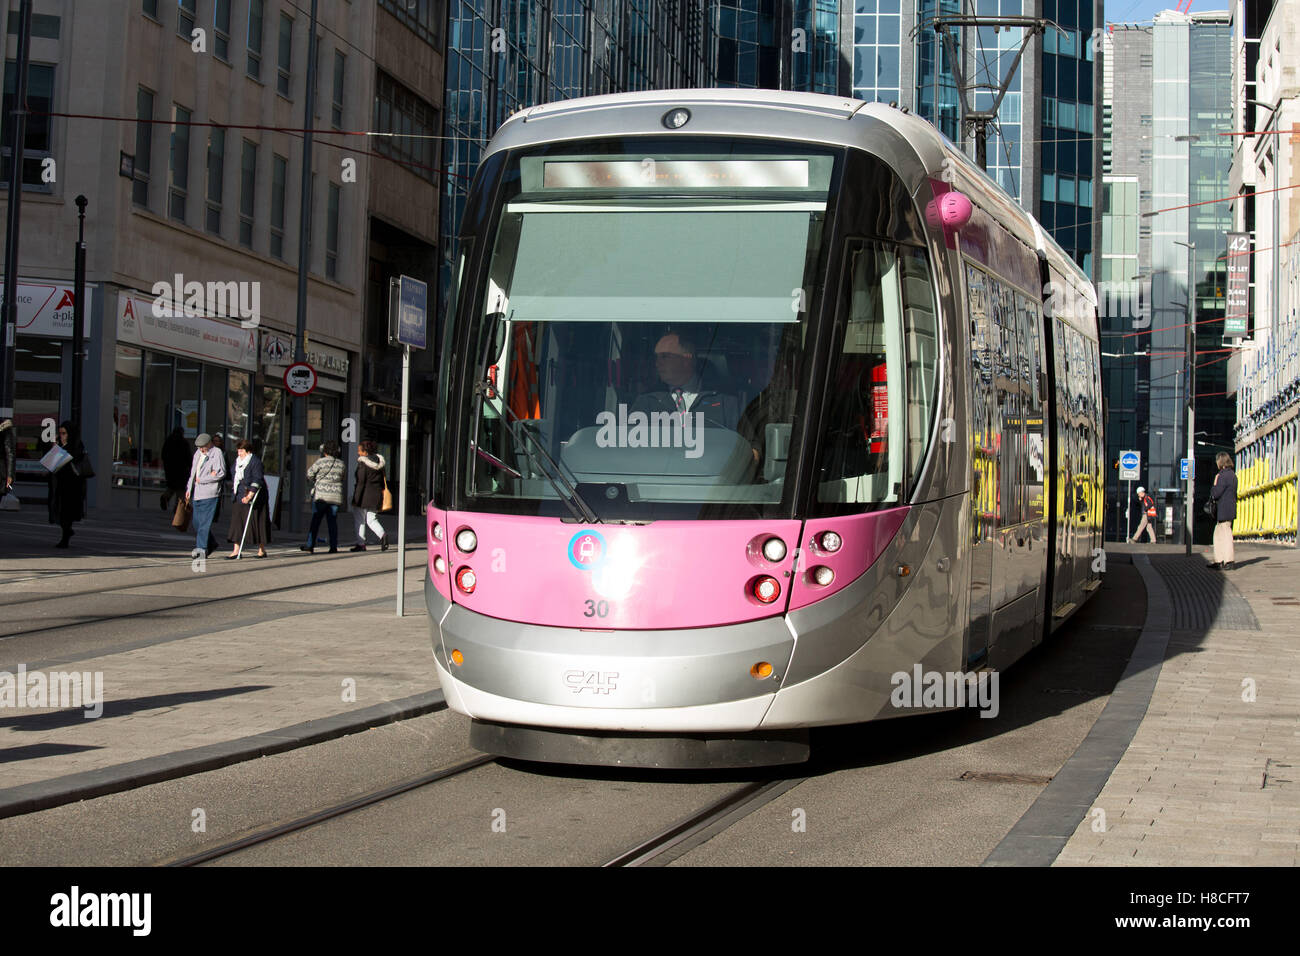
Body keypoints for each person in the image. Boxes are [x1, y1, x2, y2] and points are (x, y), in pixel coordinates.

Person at [631, 329, 740, 430]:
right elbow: (628, 444)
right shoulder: (646, 401)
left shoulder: (725, 402)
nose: (657, 363)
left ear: (686, 359)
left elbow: (744, 446)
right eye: (657, 357)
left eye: (665, 356)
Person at [48, 421, 88, 548]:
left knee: (67, 512)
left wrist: (60, 449)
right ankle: (66, 532)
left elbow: (69, 459)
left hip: (73, 485)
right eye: (60, 433)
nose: (62, 436)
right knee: (59, 510)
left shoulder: (76, 445)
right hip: (60, 483)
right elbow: (52, 463)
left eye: (64, 433)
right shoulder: (60, 445)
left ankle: (65, 536)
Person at [185, 432, 226, 557]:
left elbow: (220, 473)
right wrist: (189, 488)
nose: (201, 449)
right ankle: (212, 543)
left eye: (203, 447)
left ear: (209, 444)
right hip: (197, 493)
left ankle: (201, 549)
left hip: (210, 493)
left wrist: (203, 479)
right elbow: (193, 473)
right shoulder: (198, 453)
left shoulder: (216, 453)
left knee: (204, 524)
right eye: (199, 447)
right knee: (196, 523)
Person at [226, 439, 268, 559]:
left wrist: (250, 495)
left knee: (256, 522)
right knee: (237, 522)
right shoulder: (237, 462)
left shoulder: (255, 462)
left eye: (241, 451)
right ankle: (236, 550)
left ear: (248, 451)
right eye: (238, 450)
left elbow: (257, 479)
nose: (239, 453)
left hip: (254, 496)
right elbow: (234, 475)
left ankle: (261, 550)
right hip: (239, 495)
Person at [302, 441, 345, 553]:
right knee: (332, 523)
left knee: (316, 521)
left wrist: (317, 481)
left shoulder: (320, 462)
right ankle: (333, 546)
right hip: (335, 497)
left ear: (325, 451)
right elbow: (342, 477)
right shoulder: (341, 463)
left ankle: (310, 545)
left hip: (321, 495)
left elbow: (309, 474)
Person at [351, 440, 389, 552]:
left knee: (360, 520)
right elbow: (383, 481)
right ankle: (383, 535)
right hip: (376, 495)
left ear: (365, 452)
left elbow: (360, 483)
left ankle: (361, 544)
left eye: (359, 450)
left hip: (363, 497)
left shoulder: (363, 464)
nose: (358, 453)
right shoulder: (380, 462)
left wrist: (356, 499)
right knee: (371, 519)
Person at [1207, 452, 1237, 570]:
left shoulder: (1223, 476)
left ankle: (1228, 560)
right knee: (1219, 533)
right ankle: (1219, 560)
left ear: (1220, 462)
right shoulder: (1233, 475)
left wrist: (1214, 484)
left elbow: (1215, 493)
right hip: (1229, 508)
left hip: (1224, 509)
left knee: (1225, 533)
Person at [160, 427, 191, 511]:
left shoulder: (168, 442)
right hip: (182, 471)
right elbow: (188, 457)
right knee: (180, 490)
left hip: (170, 471)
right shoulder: (184, 443)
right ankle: (178, 507)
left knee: (171, 487)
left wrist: (167, 466)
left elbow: (163, 455)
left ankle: (165, 497)